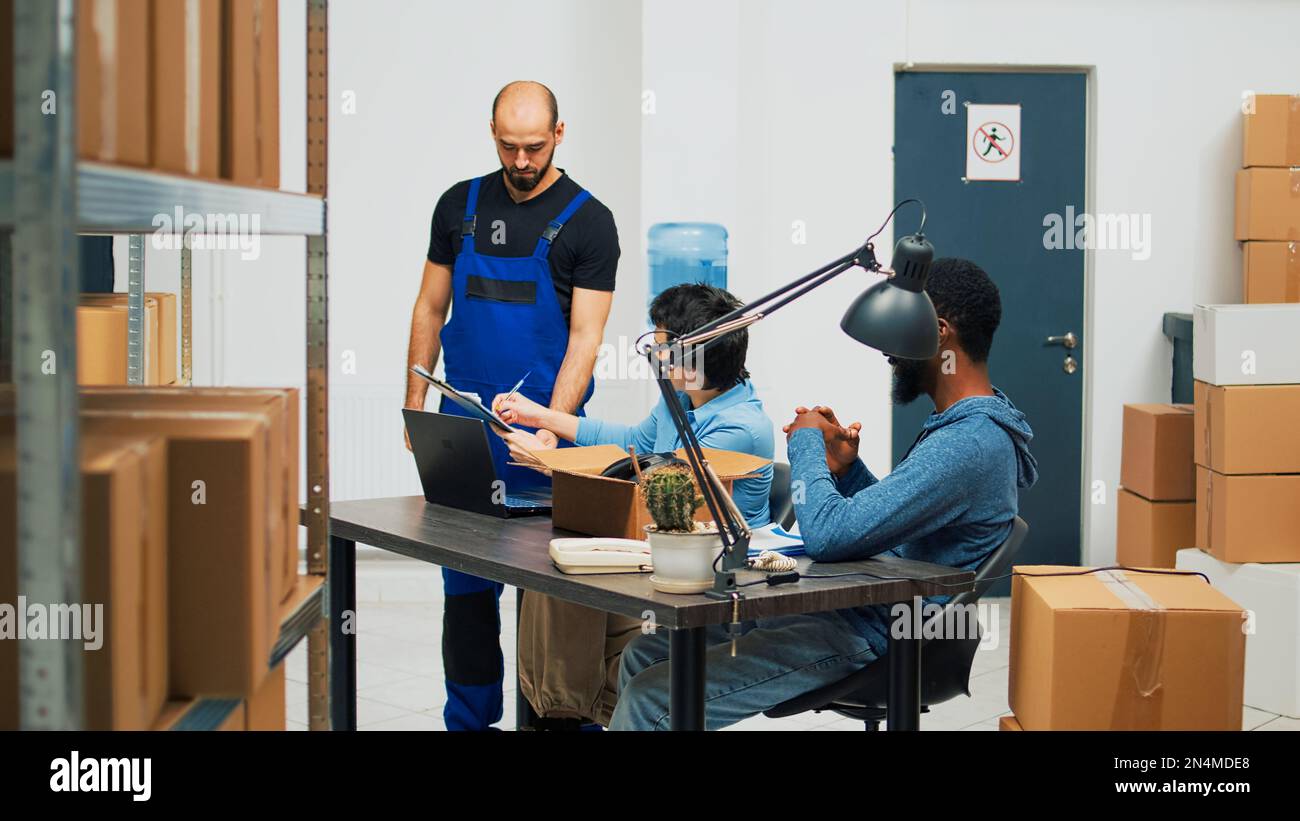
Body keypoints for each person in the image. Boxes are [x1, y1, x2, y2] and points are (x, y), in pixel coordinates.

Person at [609, 258, 1038, 731]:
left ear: (939, 333)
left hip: (870, 633)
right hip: (853, 609)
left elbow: (831, 537)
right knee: (646, 652)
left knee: (653, 699)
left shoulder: (969, 443)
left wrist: (808, 443)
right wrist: (848, 472)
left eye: (900, 332)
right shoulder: (970, 426)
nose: (888, 352)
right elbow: (904, 529)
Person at [404, 80, 620, 731]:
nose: (521, 161)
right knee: (465, 596)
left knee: (549, 603)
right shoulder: (457, 207)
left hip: (546, 444)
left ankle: (547, 723)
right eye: (508, 146)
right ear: (491, 132)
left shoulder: (589, 221)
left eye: (532, 147)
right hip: (466, 442)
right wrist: (414, 401)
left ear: (559, 134)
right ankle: (468, 722)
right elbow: (429, 306)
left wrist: (552, 433)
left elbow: (585, 338)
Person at [494, 283, 774, 727]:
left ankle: (595, 708)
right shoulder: (681, 401)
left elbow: (662, 496)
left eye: (661, 343)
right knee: (549, 572)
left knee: (562, 587)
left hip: (703, 580)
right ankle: (577, 706)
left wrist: (554, 465)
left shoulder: (739, 427)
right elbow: (632, 447)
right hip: (659, 558)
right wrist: (540, 416)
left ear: (692, 352)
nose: (653, 354)